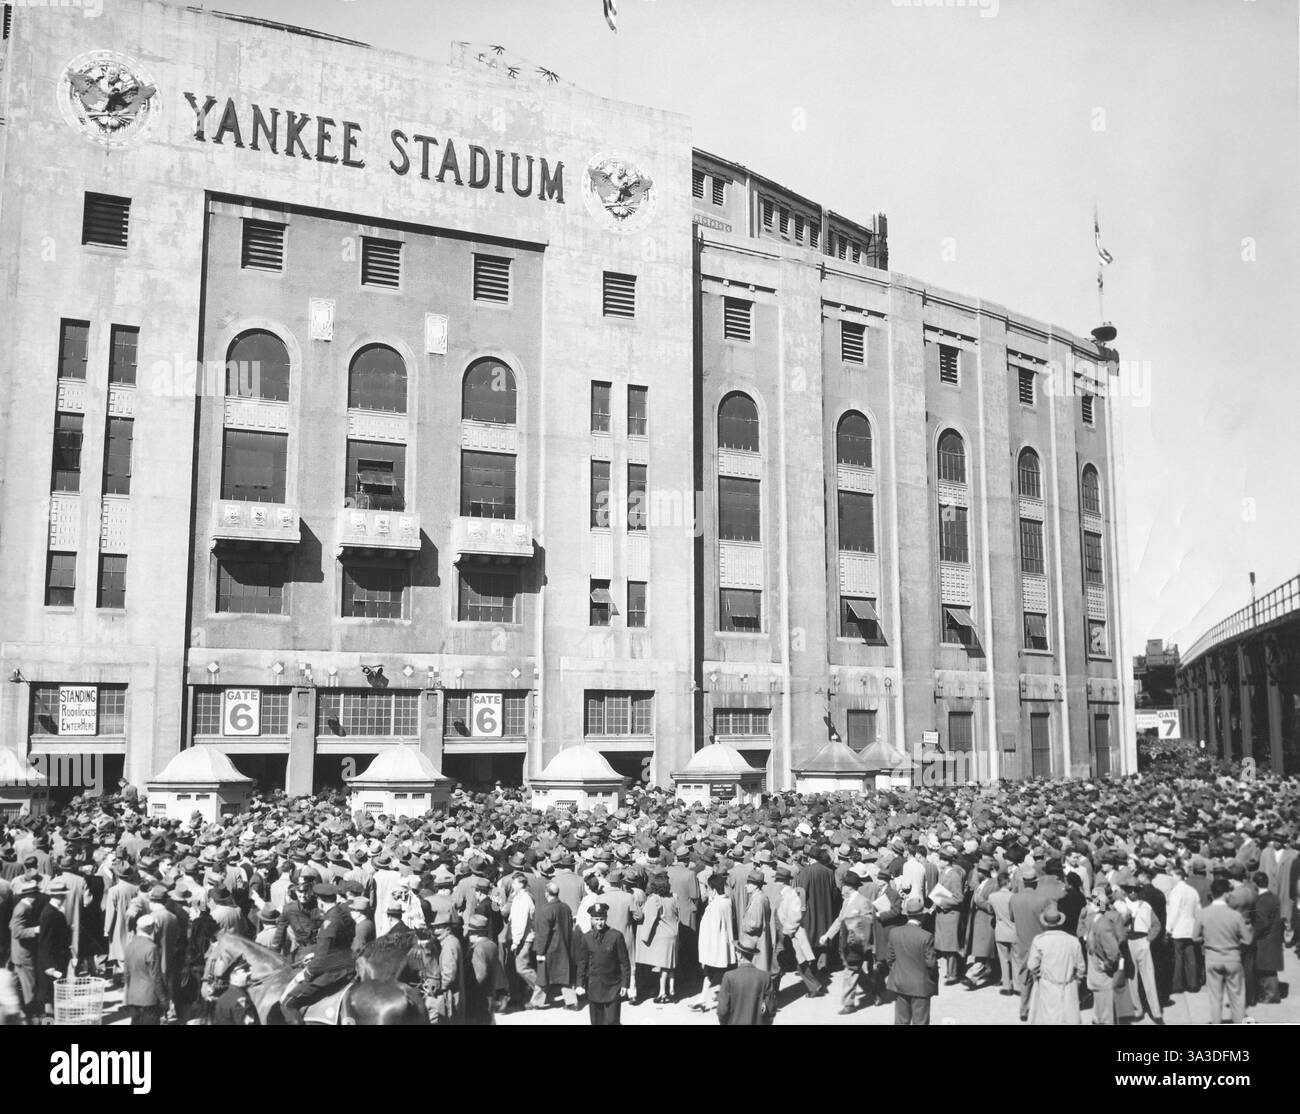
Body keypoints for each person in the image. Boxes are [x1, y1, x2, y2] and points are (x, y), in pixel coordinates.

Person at [281, 883, 355, 1024]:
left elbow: (321, 961)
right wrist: (314, 953)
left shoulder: (329, 923)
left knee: (287, 1004)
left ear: (320, 902)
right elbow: (339, 944)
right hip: (347, 965)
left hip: (333, 973)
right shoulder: (342, 914)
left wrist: (306, 973)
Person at [821, 871, 875, 1014]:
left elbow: (869, 921)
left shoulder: (863, 902)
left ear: (849, 887)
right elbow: (839, 920)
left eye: (844, 885)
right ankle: (876, 990)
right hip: (845, 942)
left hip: (856, 943)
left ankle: (848, 1004)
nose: (842, 888)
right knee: (855, 970)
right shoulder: (846, 901)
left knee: (850, 972)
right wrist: (828, 935)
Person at [1025, 902, 1085, 1024]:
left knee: (1048, 1017)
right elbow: (1081, 967)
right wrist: (1077, 980)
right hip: (1068, 985)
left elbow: (1032, 965)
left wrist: (1038, 974)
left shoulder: (1040, 940)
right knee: (1068, 1018)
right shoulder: (1073, 941)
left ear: (1046, 923)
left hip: (1048, 984)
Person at [573, 902, 631, 1025]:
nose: (599, 923)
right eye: (596, 919)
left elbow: (624, 962)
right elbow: (582, 963)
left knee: (611, 1021)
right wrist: (579, 984)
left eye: (602, 919)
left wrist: (625, 984)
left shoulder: (616, 936)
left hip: (613, 987)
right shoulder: (586, 938)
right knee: (596, 1022)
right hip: (594, 987)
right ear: (592, 919)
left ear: (606, 919)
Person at [885, 895, 938, 1026]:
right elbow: (931, 964)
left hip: (900, 983)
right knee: (920, 1022)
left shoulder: (894, 932)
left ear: (907, 915)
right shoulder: (927, 936)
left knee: (901, 1021)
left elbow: (890, 959)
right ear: (922, 916)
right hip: (920, 985)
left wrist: (899, 973)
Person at [773, 865, 824, 997]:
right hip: (786, 934)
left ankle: (772, 991)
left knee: (777, 962)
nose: (775, 883)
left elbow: (796, 916)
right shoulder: (784, 894)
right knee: (798, 962)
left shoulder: (791, 894)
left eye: (777, 880)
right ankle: (814, 986)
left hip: (789, 934)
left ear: (782, 881)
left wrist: (786, 932)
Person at [1008, 863, 1050, 1020]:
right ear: (1035, 882)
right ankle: (1040, 1010)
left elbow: (1012, 918)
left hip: (1021, 942)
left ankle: (1024, 1010)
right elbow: (1048, 922)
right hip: (1040, 942)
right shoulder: (1043, 900)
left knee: (1025, 979)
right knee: (1041, 977)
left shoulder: (1014, 898)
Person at [691, 872, 735, 1012]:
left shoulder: (713, 906)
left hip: (715, 946)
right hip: (725, 944)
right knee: (719, 973)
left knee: (710, 973)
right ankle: (706, 999)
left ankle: (706, 1000)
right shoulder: (728, 901)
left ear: (714, 890)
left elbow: (708, 930)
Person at [1082, 885, 1125, 1026]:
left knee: (1103, 998)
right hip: (1101, 963)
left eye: (1091, 902)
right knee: (1104, 999)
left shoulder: (1097, 919)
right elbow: (1119, 942)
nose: (1088, 905)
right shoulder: (1095, 919)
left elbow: (1116, 944)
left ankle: (1099, 1019)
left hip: (1101, 962)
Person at [533, 881, 578, 1009]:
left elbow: (543, 934)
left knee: (543, 977)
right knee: (565, 977)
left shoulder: (546, 909)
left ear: (546, 893)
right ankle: (572, 1002)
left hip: (550, 949)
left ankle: (536, 1002)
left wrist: (540, 951)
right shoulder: (566, 907)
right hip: (565, 947)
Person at [637, 872, 679, 1004]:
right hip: (674, 933)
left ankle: (662, 993)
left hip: (662, 936)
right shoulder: (673, 897)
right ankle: (672, 990)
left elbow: (650, 918)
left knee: (663, 966)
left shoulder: (654, 899)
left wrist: (644, 936)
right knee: (671, 964)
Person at [35, 880, 73, 1020]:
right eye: (63, 895)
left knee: (53, 997)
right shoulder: (50, 914)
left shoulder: (53, 911)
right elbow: (45, 942)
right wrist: (49, 965)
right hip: (52, 964)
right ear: (59, 896)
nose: (65, 898)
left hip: (56, 961)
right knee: (49, 999)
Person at [122, 915, 168, 1025]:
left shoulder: (130, 945)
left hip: (133, 997)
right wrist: (163, 998)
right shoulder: (152, 948)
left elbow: (126, 974)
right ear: (151, 928)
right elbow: (156, 976)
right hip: (149, 999)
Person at [465, 913, 509, 1025]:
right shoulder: (492, 944)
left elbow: (480, 974)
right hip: (491, 991)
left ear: (476, 933)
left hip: (480, 995)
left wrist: (469, 988)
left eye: (470, 932)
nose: (469, 935)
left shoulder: (478, 949)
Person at [1165, 863, 1201, 995]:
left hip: (1178, 929)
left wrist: (1169, 927)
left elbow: (1174, 911)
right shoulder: (1192, 891)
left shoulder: (1176, 891)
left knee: (1178, 958)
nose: (1171, 878)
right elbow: (1198, 910)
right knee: (1191, 957)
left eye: (1173, 875)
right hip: (1190, 928)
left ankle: (1178, 985)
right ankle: (1193, 984)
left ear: (1178, 876)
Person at [716, 940, 771, 1026]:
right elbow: (771, 1008)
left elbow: (722, 1010)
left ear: (739, 954)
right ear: (753, 956)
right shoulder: (765, 977)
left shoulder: (729, 976)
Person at [506, 871, 539, 1009]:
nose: (512, 885)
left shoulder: (524, 898)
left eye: (514, 883)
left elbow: (521, 921)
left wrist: (516, 941)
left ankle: (540, 988)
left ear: (520, 884)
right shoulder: (518, 896)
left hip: (524, 938)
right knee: (522, 967)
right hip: (522, 938)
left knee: (522, 968)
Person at [426, 910, 466, 1024]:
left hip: (450, 998)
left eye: (438, 928)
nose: (435, 931)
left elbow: (449, 976)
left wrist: (435, 989)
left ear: (448, 929)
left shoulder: (449, 945)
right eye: (434, 928)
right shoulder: (449, 942)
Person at [1251, 870, 1283, 1005]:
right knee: (1269, 968)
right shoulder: (1273, 897)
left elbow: (1262, 922)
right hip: (1274, 937)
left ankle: (1271, 996)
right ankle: (1269, 994)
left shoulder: (1262, 900)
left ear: (1255, 884)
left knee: (1266, 969)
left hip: (1265, 939)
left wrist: (1253, 934)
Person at [987, 871, 1017, 996]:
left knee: (1003, 960)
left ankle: (1006, 985)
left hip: (1000, 930)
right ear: (1008, 883)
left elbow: (989, 910)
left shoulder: (992, 896)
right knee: (1016, 960)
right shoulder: (1014, 896)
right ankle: (1017, 985)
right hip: (1014, 930)